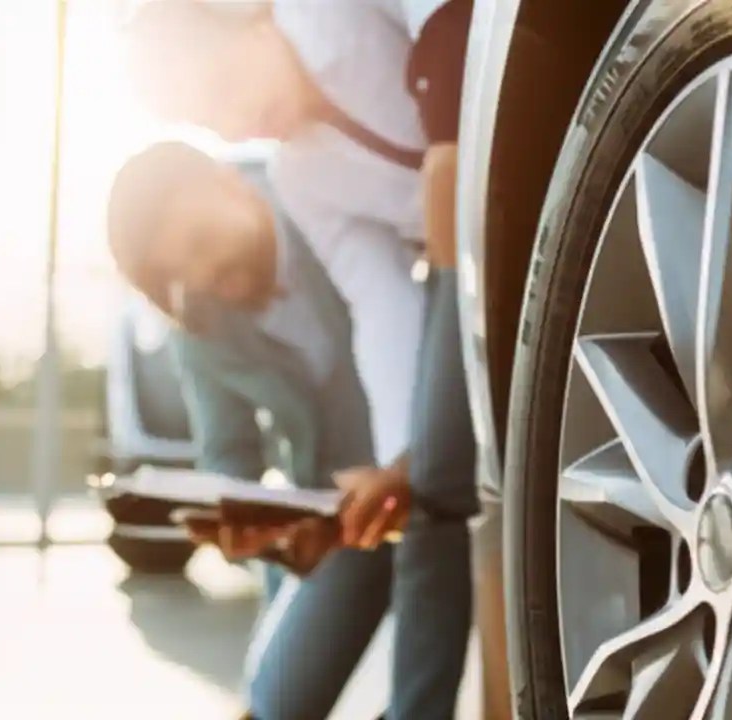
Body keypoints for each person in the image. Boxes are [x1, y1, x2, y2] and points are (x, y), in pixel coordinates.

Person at [124, 3, 479, 718]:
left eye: (222, 86)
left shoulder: (328, 16)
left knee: (432, 496)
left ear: (249, 18)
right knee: (272, 703)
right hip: (343, 512)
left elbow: (446, 22)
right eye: (209, 120)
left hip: (472, 240)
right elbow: (382, 305)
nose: (233, 123)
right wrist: (386, 467)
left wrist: (411, 463)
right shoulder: (302, 176)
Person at [105, 142, 430, 719]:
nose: (202, 275)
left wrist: (404, 462)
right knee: (276, 697)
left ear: (233, 185)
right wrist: (240, 524)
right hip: (330, 523)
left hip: (428, 468)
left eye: (201, 243)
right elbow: (227, 449)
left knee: (423, 681)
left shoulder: (324, 195)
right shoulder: (196, 318)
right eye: (179, 273)